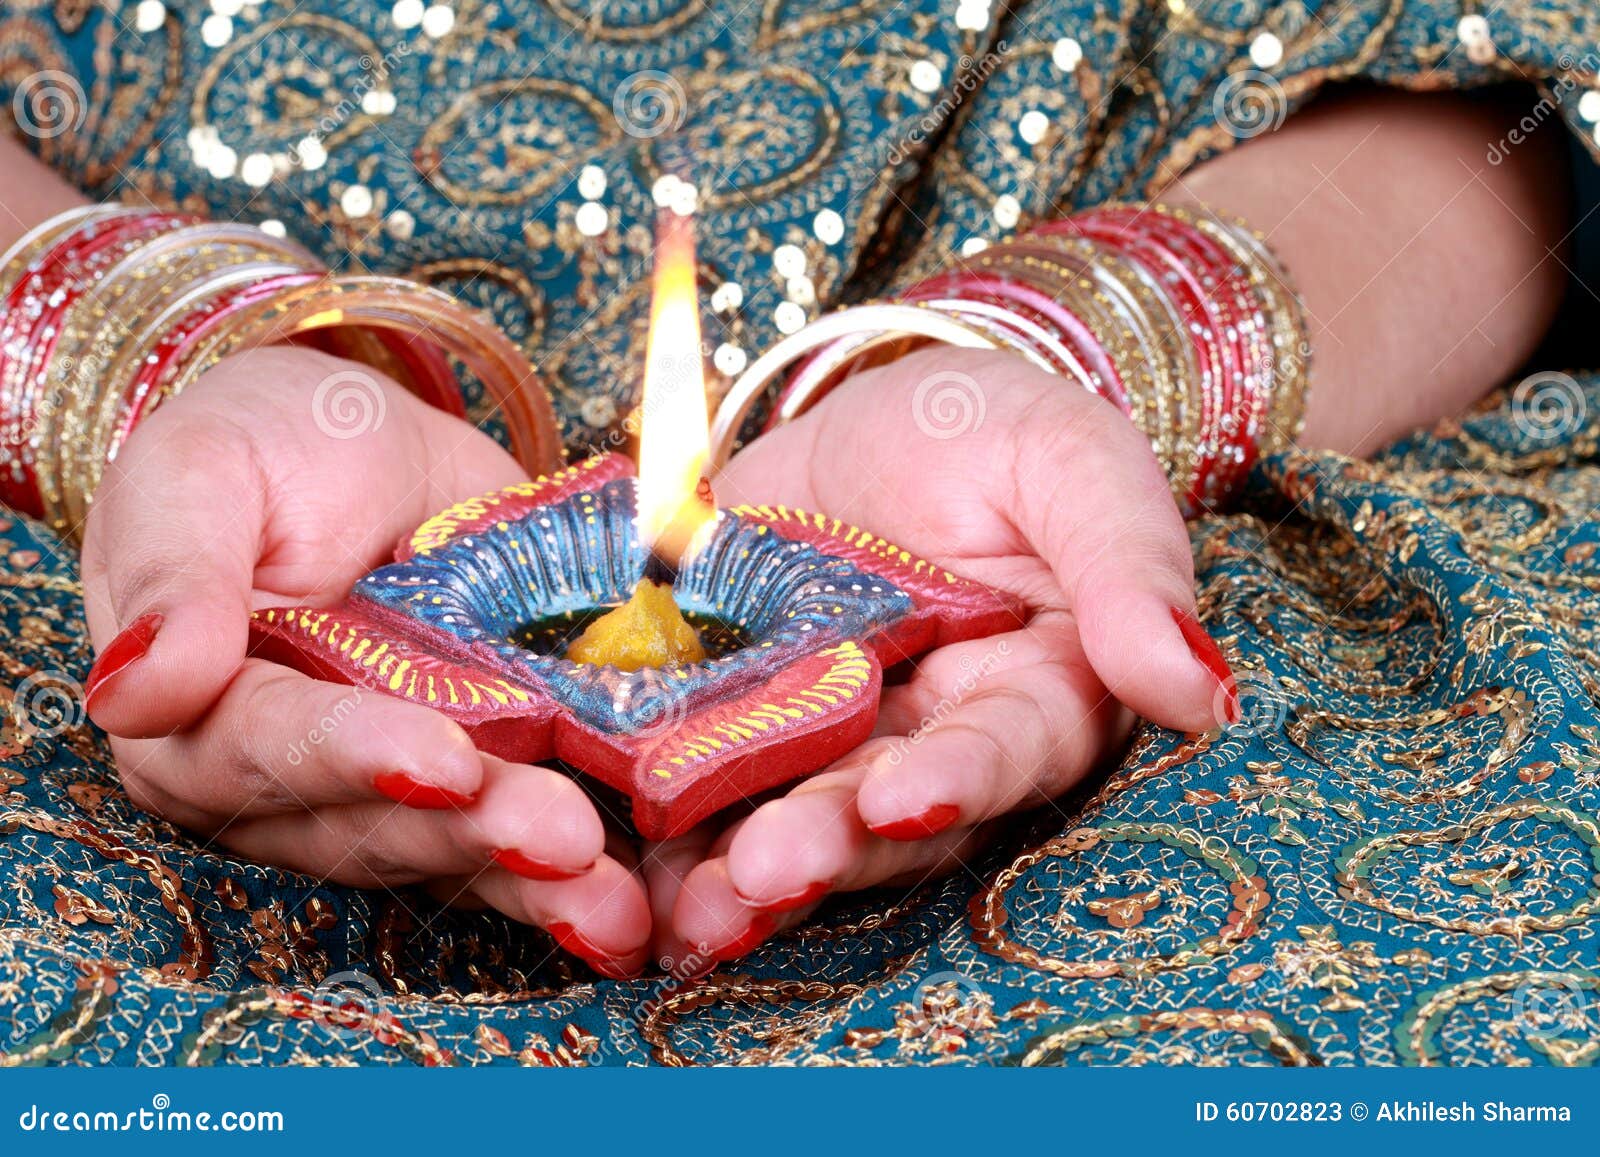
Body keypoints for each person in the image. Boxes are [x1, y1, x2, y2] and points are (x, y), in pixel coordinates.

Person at [0, 0, 1594, 1064]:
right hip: (128, 585)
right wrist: (131, 362)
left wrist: (1079, 357)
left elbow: (1514, 107)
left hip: (1161, 541)